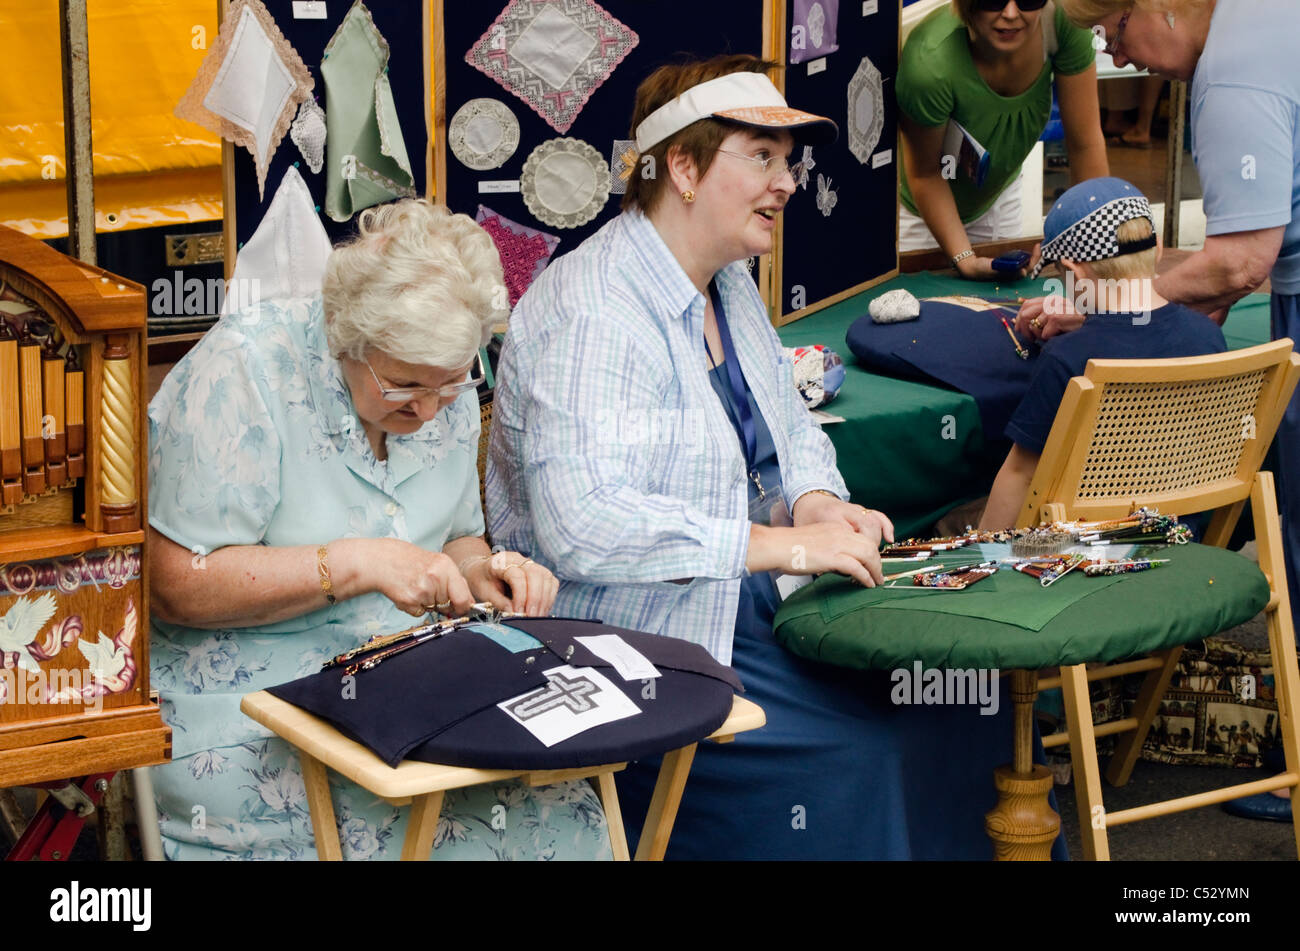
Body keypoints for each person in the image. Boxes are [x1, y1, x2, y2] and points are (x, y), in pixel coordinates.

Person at [488, 54, 1064, 859]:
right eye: (760, 156)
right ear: (682, 167)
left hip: (750, 607)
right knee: (870, 750)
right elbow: (581, 525)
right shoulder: (595, 310)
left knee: (972, 704)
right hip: (636, 645)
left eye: (787, 161)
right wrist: (782, 545)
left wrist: (818, 503)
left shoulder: (728, 284)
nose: (786, 181)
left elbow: (794, 434)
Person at [146, 199, 609, 860]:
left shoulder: (446, 386)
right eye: (402, 386)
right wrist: (357, 562)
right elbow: (173, 583)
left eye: (450, 385)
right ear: (346, 338)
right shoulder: (244, 369)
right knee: (431, 840)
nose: (427, 409)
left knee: (567, 816)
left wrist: (485, 572)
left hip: (410, 691)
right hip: (250, 703)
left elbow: (456, 539)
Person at [1021, 0, 1300, 824]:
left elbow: (1240, 260)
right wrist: (1131, 298)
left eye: (1113, 32)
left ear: (1162, 9)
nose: (1116, 55)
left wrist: (1104, 304)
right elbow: (1223, 266)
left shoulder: (1232, 76)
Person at [979, 177, 1226, 529]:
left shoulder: (1069, 358)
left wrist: (984, 560)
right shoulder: (1208, 337)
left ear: (1075, 270)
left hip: (1080, 554)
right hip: (1182, 541)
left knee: (953, 519)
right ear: (1157, 249)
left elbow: (1021, 476)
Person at [897, 0, 1109, 278]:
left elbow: (1085, 144)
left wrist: (1092, 247)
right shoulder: (930, 63)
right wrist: (966, 260)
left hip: (998, 196)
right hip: (917, 215)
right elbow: (925, 175)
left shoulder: (1063, 23)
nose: (1010, 14)